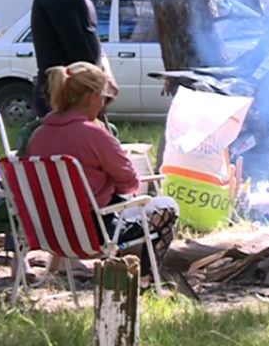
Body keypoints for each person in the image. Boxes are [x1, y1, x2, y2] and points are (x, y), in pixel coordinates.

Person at [28, 61, 178, 282]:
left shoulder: (38, 136)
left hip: (50, 234)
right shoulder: (94, 135)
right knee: (169, 208)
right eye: (102, 96)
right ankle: (147, 281)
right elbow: (130, 183)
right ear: (90, 96)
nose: (103, 102)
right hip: (95, 233)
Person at [31, 0, 115, 117]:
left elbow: (94, 43)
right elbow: (77, 48)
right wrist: (98, 82)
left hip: (85, 97)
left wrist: (106, 74)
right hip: (63, 99)